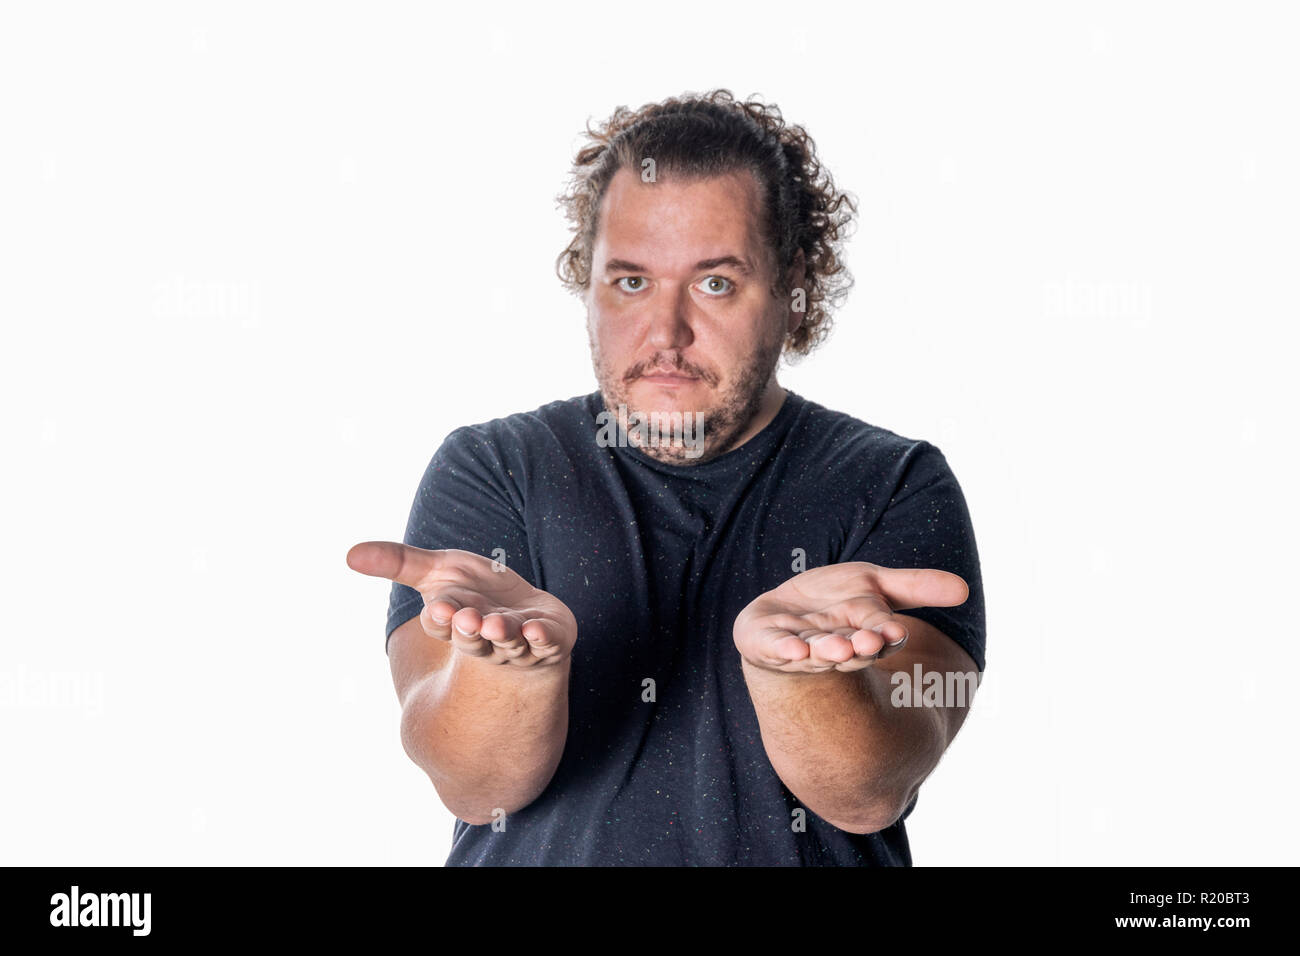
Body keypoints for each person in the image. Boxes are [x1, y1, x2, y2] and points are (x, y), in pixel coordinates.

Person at [347, 89, 986, 866]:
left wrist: (797, 679)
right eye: (630, 281)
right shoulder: (495, 469)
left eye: (716, 283)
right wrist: (507, 670)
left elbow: (869, 791)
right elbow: (473, 786)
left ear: (790, 286)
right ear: (588, 280)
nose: (666, 332)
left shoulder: (893, 482)